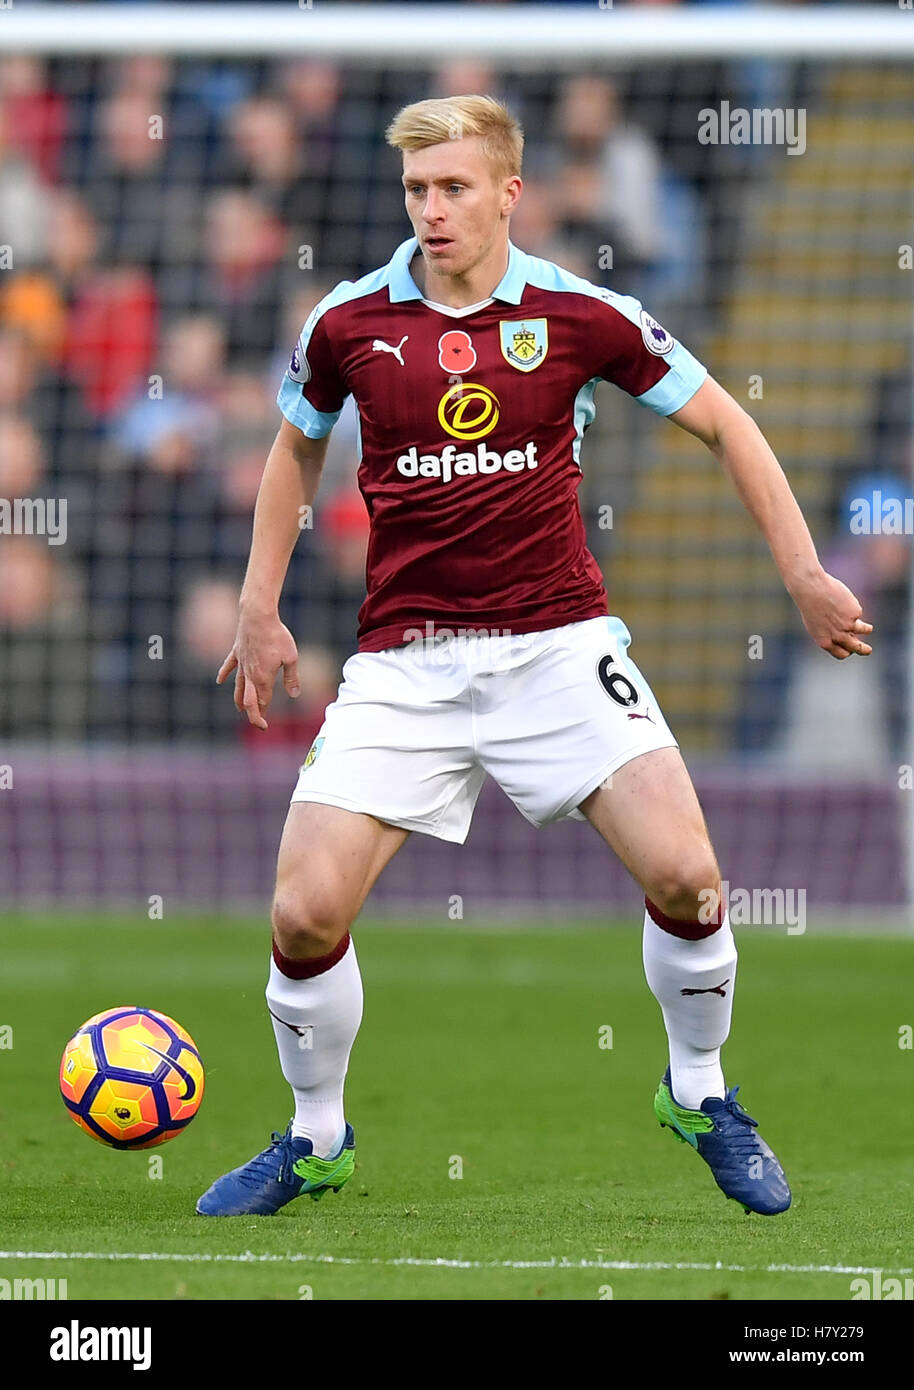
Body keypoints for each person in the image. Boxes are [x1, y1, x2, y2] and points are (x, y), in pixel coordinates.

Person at [196, 95, 873, 1219]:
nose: (431, 210)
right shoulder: (350, 322)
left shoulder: (577, 313)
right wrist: (258, 605)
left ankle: (697, 1090)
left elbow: (726, 424)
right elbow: (291, 449)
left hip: (556, 647)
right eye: (415, 190)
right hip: (404, 662)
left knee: (689, 878)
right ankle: (316, 1138)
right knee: (303, 915)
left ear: (509, 192)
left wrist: (801, 570)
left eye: (453, 187)